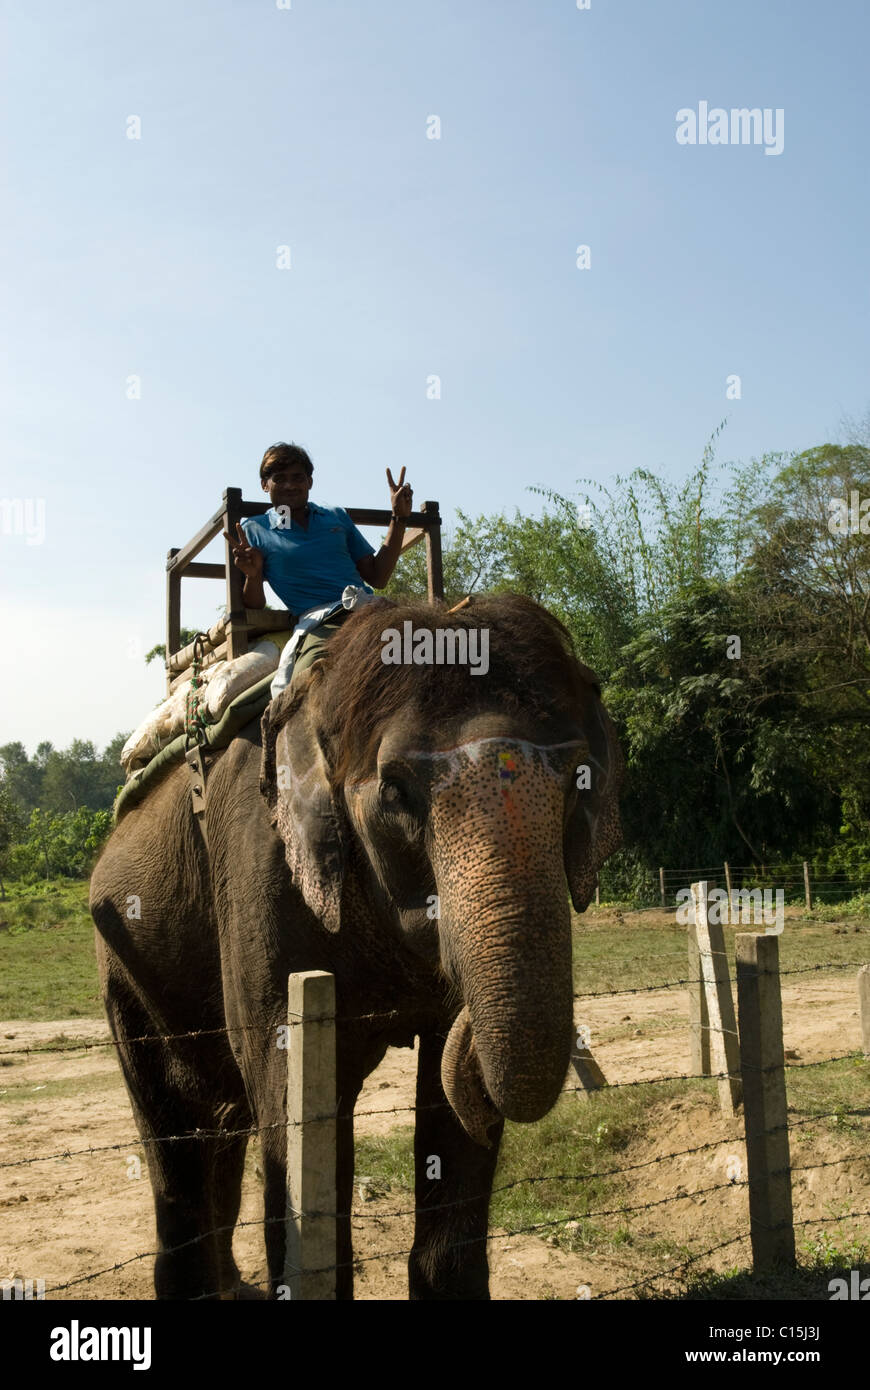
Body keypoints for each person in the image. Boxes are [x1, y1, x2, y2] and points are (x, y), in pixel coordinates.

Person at [224, 442, 413, 689]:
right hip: (319, 623)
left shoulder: (334, 515)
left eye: (298, 477)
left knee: (432, 654)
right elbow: (254, 605)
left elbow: (377, 577)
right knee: (305, 686)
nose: (290, 485)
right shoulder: (254, 530)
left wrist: (398, 518)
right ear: (264, 485)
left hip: (370, 610)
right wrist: (253, 573)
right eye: (279, 479)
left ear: (309, 482)